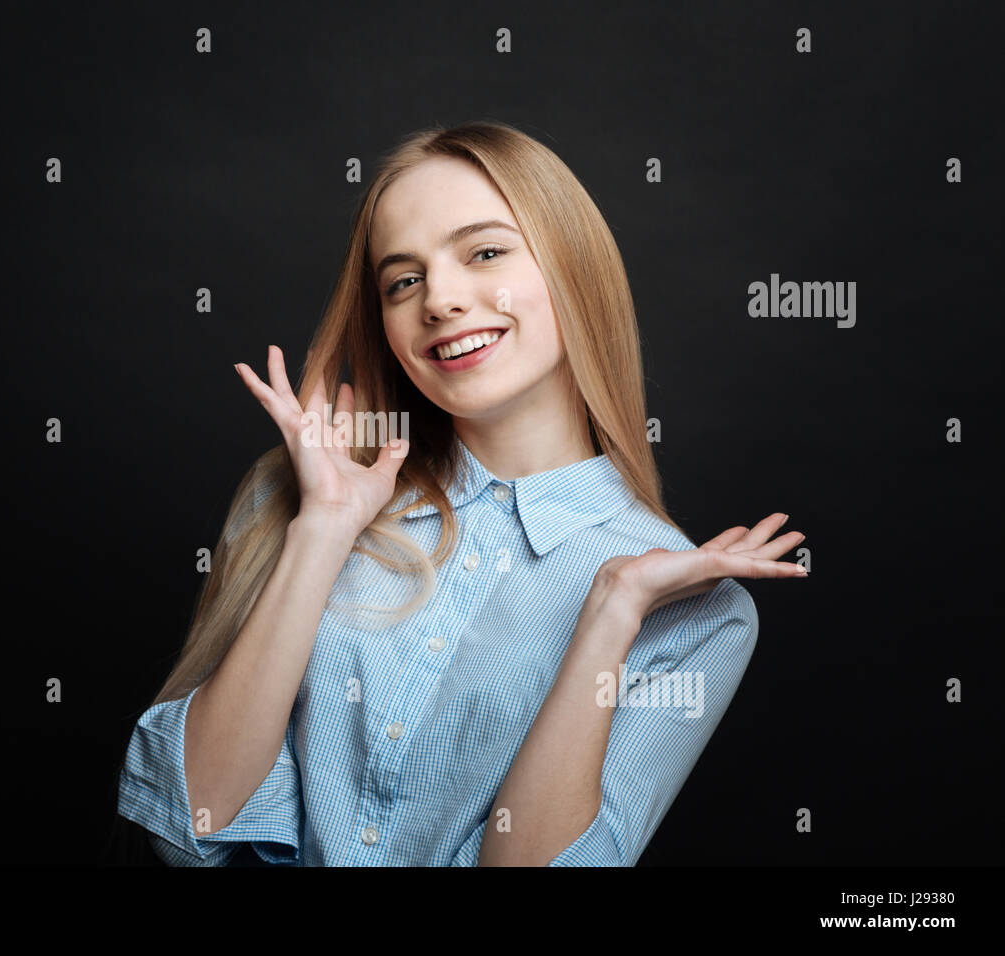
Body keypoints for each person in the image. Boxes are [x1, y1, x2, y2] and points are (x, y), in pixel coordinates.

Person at [113, 120, 806, 866]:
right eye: (403, 281)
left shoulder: (697, 613)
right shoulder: (304, 496)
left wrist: (610, 612)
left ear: (573, 268)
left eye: (484, 252)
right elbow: (187, 831)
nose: (439, 301)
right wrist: (323, 530)